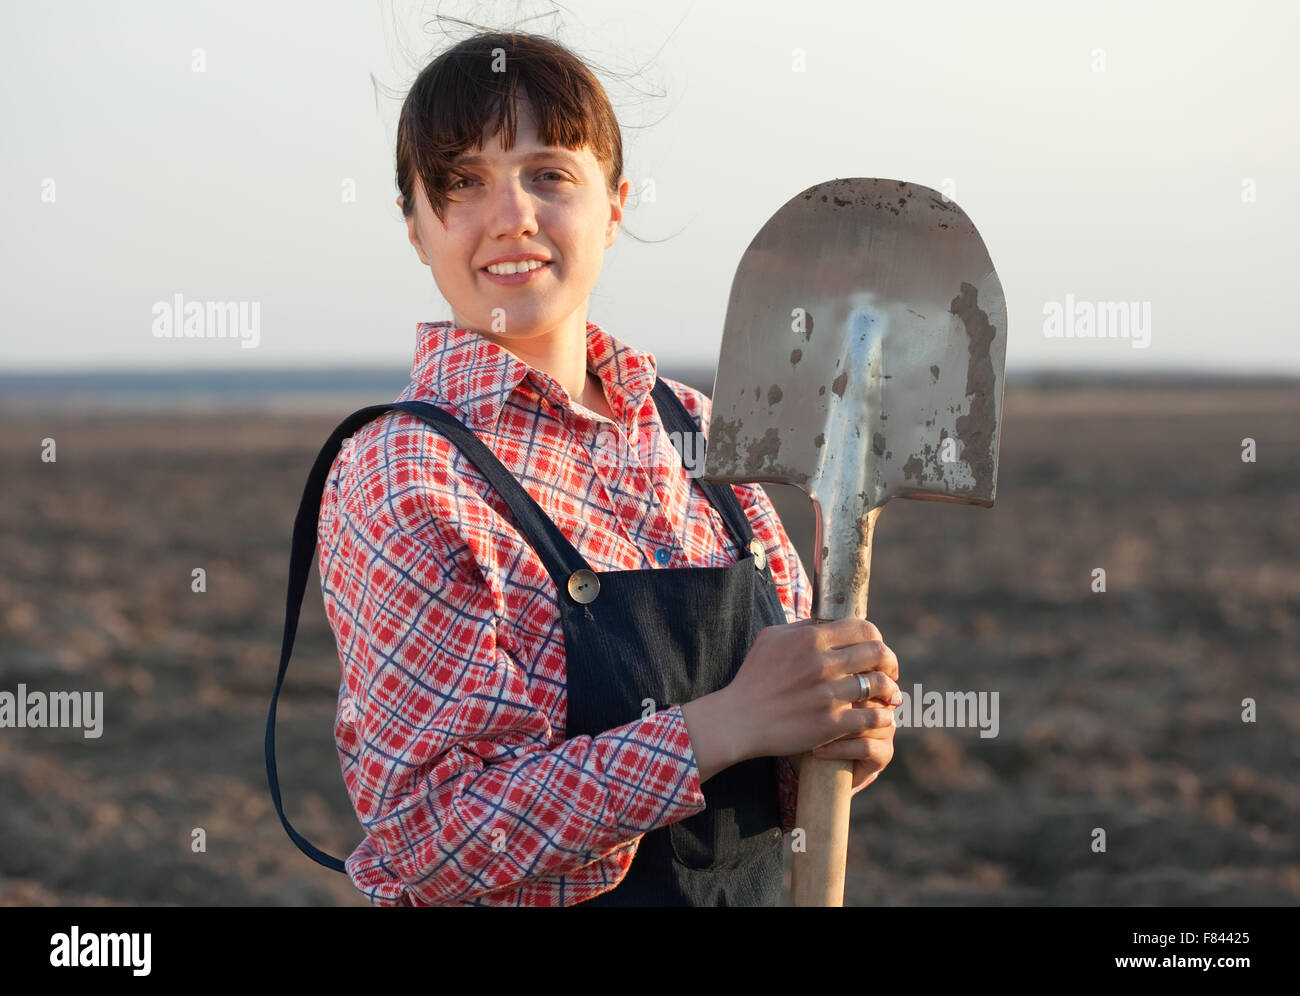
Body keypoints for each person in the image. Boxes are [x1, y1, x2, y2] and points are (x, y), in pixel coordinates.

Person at [267, 29, 900, 907]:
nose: (511, 216)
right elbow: (432, 836)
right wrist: (722, 726)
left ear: (614, 205)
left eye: (549, 174)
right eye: (461, 182)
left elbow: (779, 747)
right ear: (415, 227)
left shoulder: (695, 429)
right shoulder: (403, 473)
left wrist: (830, 736)